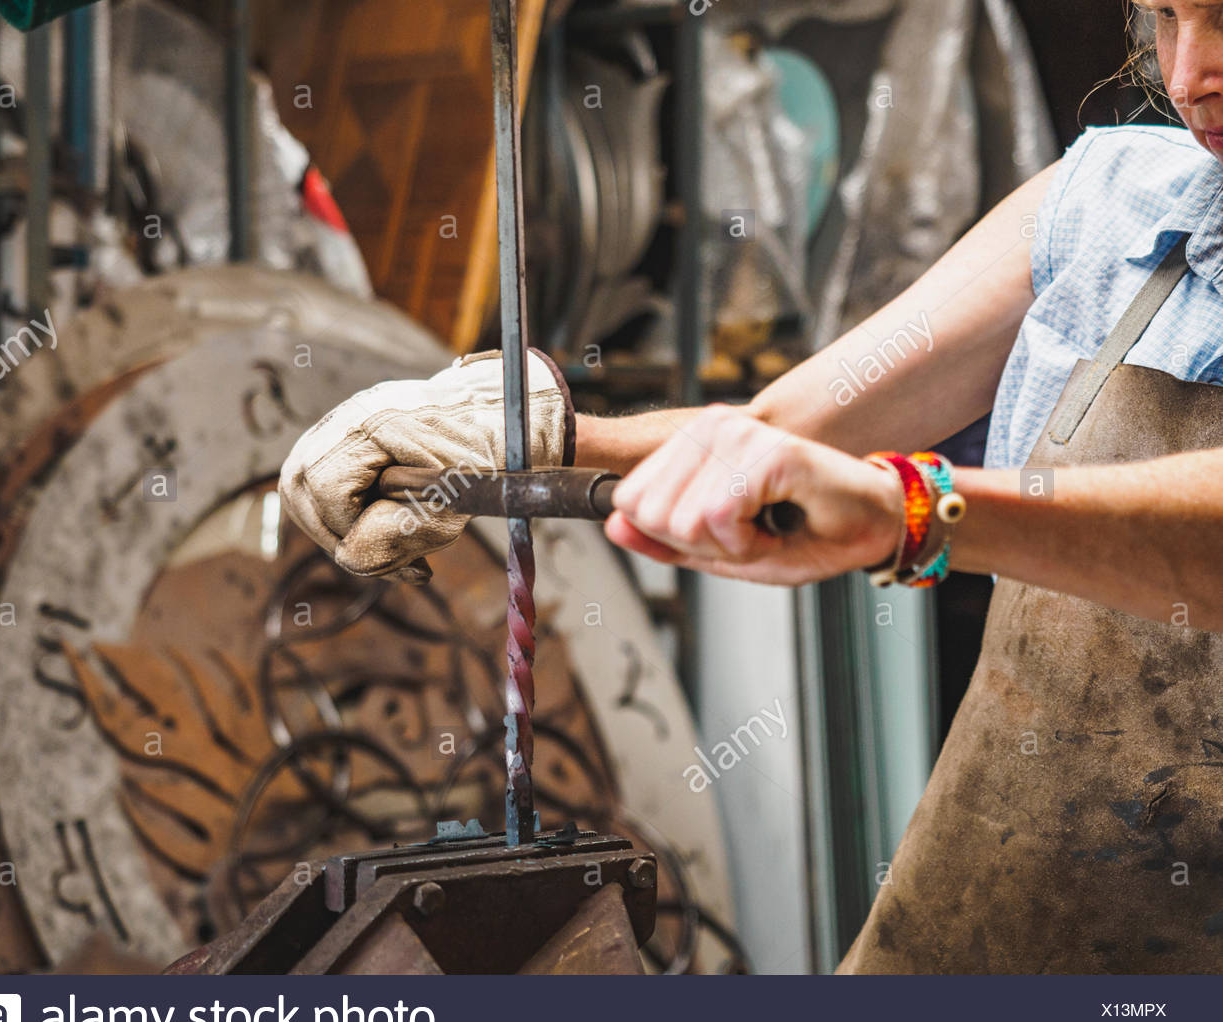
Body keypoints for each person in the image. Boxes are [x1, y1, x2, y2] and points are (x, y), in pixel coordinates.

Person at [280, 1, 1223, 973]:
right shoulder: (1100, 206)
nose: (1188, 69)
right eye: (1163, 15)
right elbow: (776, 434)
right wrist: (534, 438)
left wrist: (911, 510)